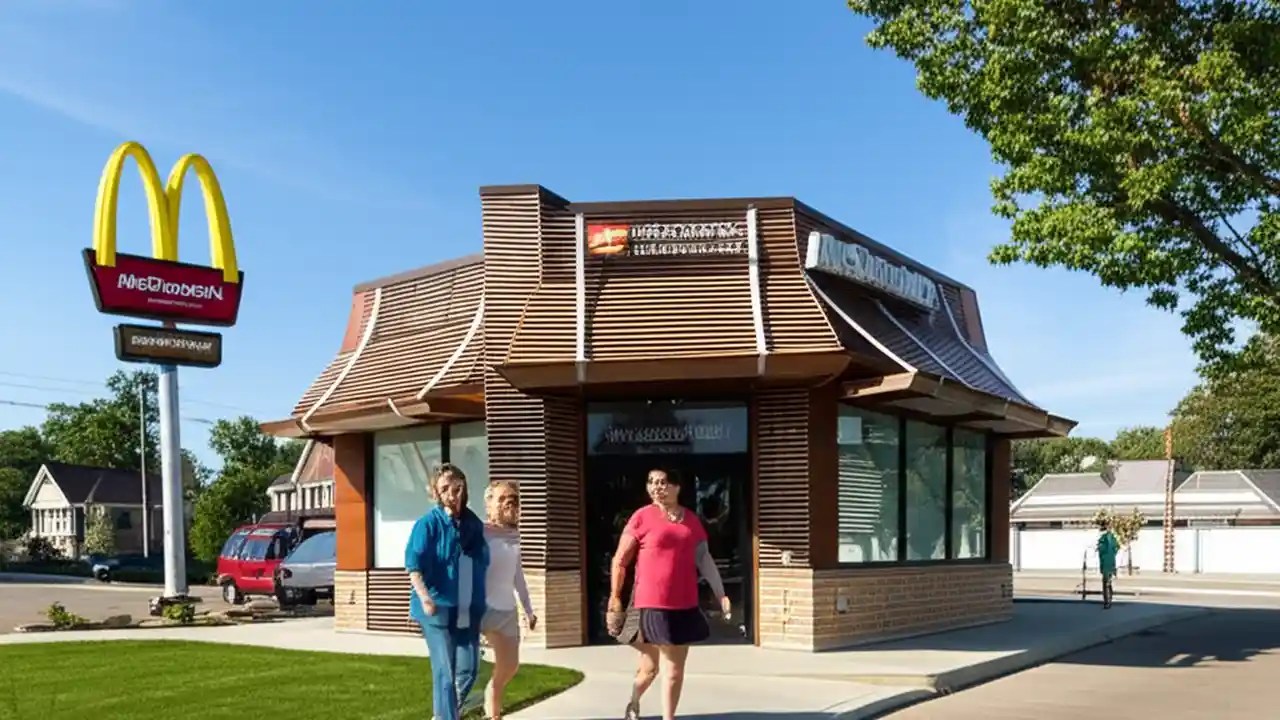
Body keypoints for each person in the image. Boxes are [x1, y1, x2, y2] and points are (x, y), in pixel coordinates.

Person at [607, 467, 730, 720]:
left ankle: (647, 706)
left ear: (677, 487)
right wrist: (615, 596)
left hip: (685, 603)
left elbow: (704, 559)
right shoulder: (641, 517)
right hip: (652, 602)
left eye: (662, 482)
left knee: (664, 669)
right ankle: (653, 708)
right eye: (651, 482)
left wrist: (721, 594)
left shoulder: (692, 521)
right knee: (662, 667)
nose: (656, 487)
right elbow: (621, 559)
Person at [406, 463, 490, 720]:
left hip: (465, 607)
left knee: (469, 669)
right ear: (436, 493)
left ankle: (444, 714)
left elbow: (482, 563)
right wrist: (425, 597)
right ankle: (447, 716)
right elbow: (413, 565)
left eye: (456, 488)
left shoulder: (472, 524)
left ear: (464, 488)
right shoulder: (427, 525)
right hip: (435, 607)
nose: (452, 495)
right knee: (445, 670)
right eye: (445, 489)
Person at [480, 480, 537, 720]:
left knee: (510, 665)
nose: (510, 502)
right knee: (465, 670)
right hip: (480, 608)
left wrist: (528, 609)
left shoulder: (514, 534)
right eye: (502, 498)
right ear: (489, 504)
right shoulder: (479, 531)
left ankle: (492, 698)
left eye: (513, 498)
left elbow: (517, 574)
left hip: (506, 609)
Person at [1096, 519, 1119, 609]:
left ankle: (1107, 601)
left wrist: (1099, 548)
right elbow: (1116, 548)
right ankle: (1109, 599)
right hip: (1110, 562)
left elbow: (1102, 550)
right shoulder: (1112, 538)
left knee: (1106, 582)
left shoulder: (1104, 538)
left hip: (1107, 563)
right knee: (1108, 582)